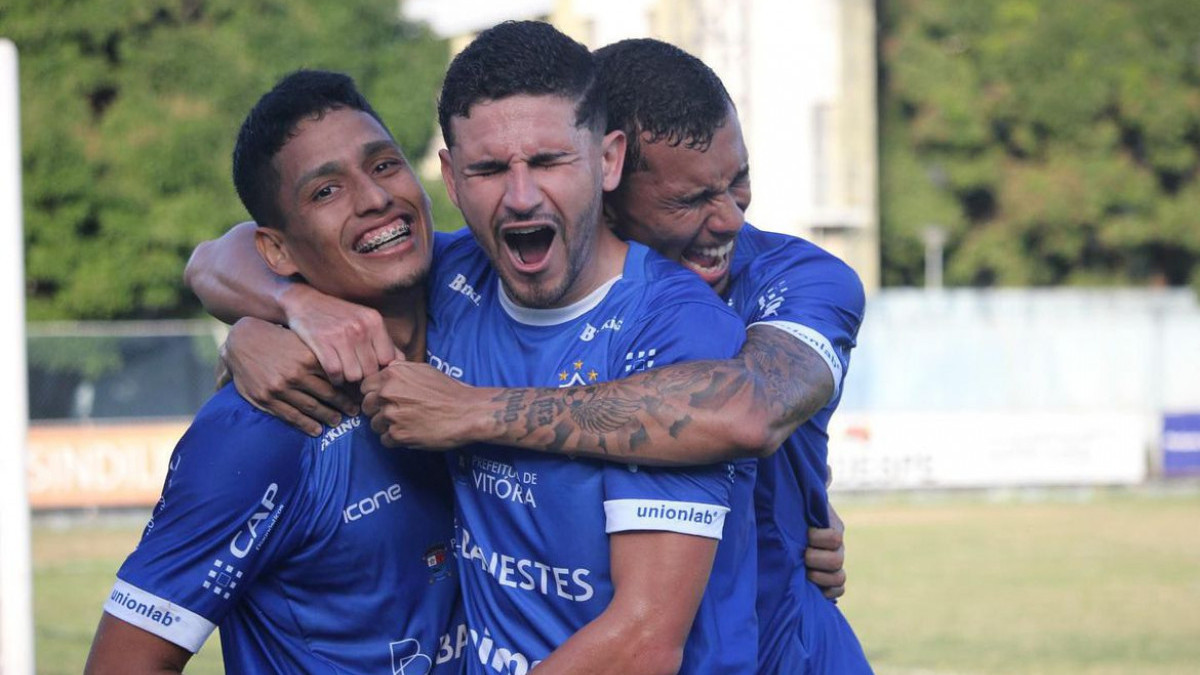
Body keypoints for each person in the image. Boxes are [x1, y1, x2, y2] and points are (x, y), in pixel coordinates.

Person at [186, 31, 863, 674]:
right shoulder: (475, 270)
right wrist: (287, 309)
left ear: (604, 158)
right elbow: (224, 254)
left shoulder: (798, 279)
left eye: (736, 181)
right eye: (690, 199)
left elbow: (748, 410)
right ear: (614, 181)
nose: (732, 219)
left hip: (789, 647)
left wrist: (474, 411)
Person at [84, 70, 463, 674]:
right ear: (278, 251)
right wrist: (284, 308)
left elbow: (212, 262)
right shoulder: (258, 430)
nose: (373, 198)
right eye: (325, 192)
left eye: (385, 165)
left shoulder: (483, 289)